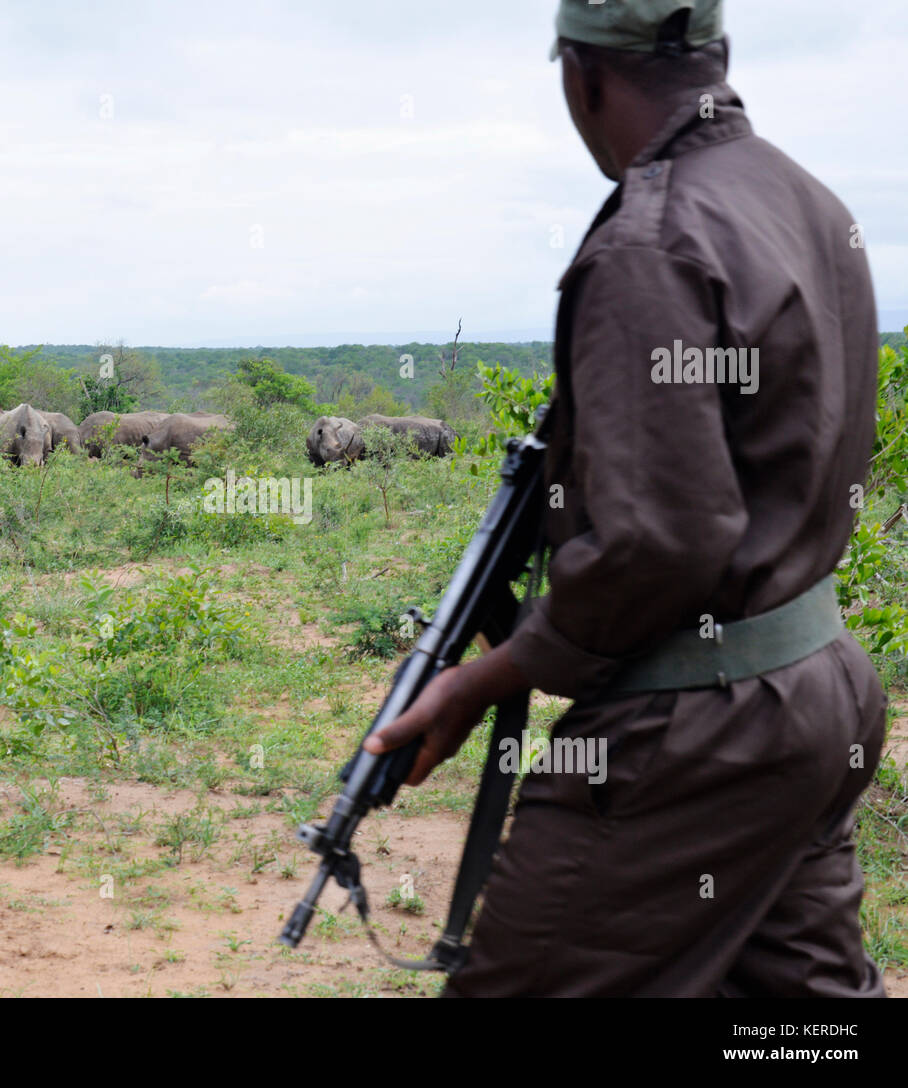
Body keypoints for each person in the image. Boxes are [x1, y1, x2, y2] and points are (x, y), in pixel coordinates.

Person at [364, 0, 888, 997]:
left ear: (584, 74)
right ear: (715, 52)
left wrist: (486, 679)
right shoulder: (813, 206)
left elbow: (662, 540)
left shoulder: (650, 242)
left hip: (697, 731)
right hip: (817, 687)